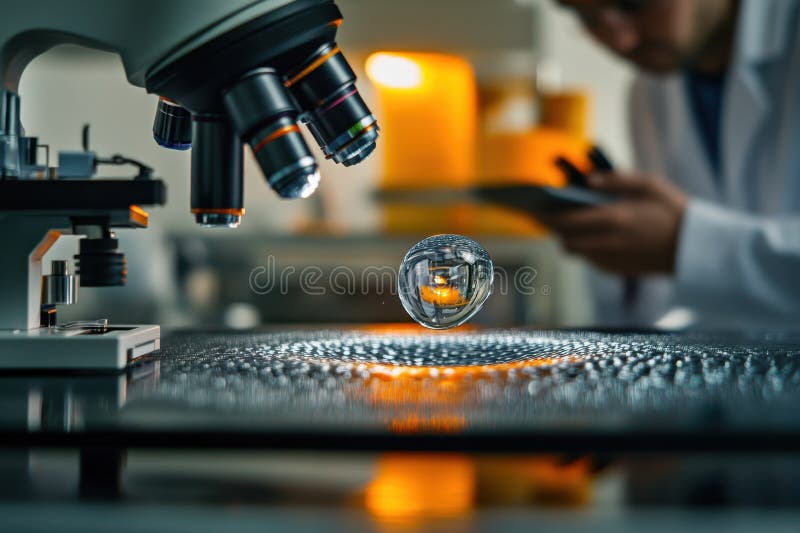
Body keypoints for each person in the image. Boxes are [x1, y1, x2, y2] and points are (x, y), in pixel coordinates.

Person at [547, 0, 800, 329]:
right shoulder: (650, 89)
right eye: (587, 16)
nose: (622, 42)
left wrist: (687, 243)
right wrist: (625, 244)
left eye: (635, 4)